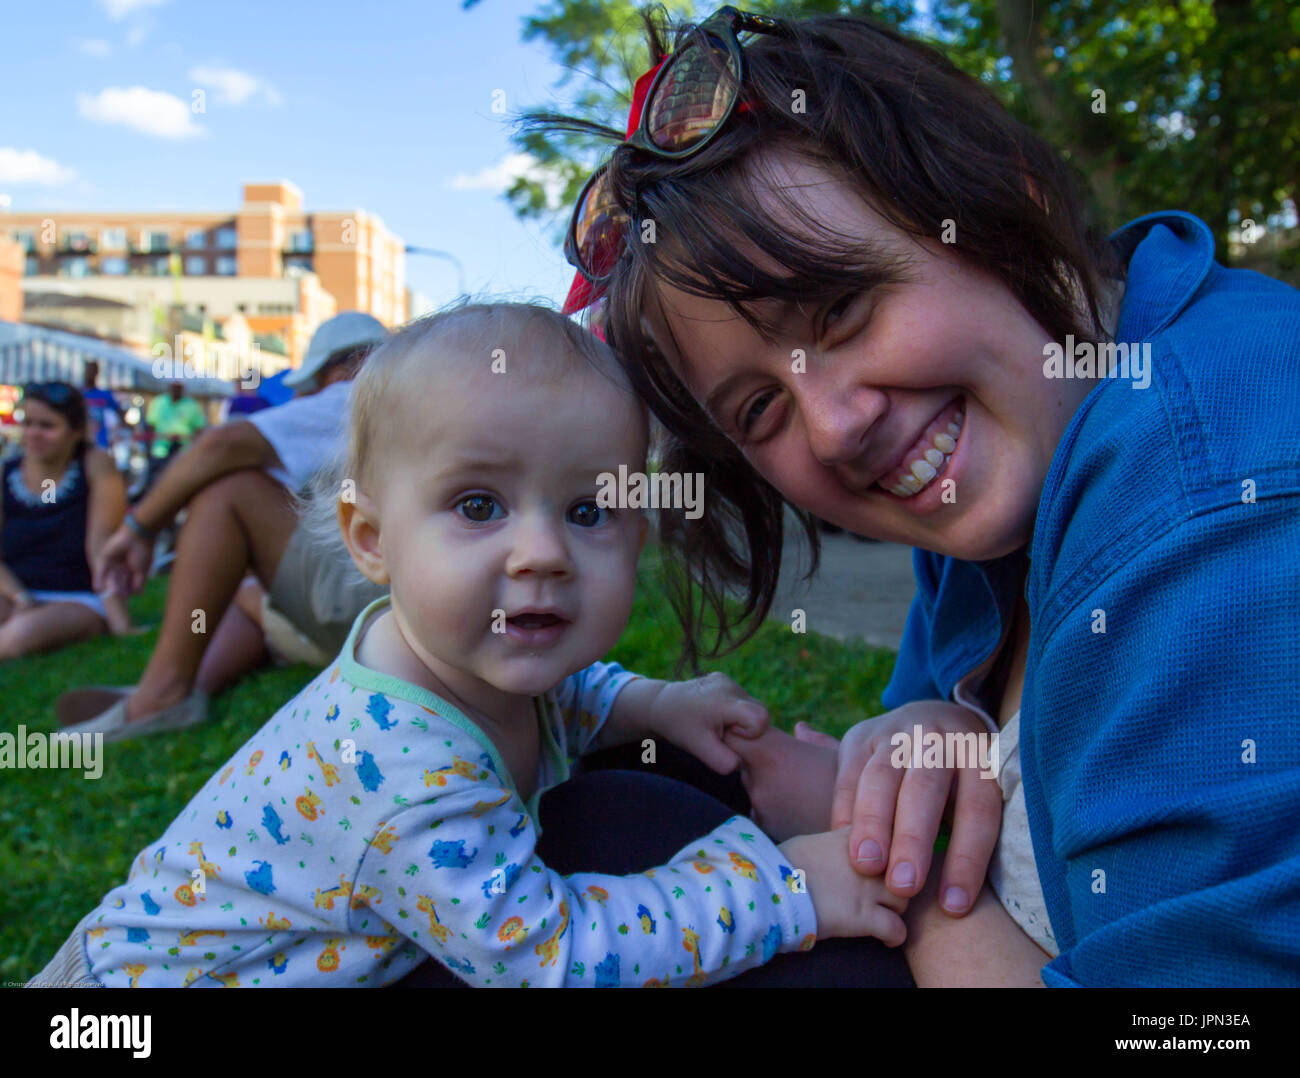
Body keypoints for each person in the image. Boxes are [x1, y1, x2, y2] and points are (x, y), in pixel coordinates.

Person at [540, 7, 1300, 986]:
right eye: (762, 406)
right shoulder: (1008, 442)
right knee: (614, 809)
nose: (832, 425)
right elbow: (912, 734)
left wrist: (925, 888)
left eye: (840, 309)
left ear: (997, 192)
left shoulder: (1204, 492)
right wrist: (923, 729)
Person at [30, 302, 912, 988]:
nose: (541, 552)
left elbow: (546, 692)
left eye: (588, 510)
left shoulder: (446, 657)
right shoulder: (402, 774)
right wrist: (783, 890)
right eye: (479, 505)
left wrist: (644, 701)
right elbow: (549, 955)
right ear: (370, 539)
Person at [55, 311, 390, 742]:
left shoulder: (363, 391)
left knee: (230, 494)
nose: (314, 397)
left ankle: (163, 694)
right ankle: (185, 686)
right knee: (225, 576)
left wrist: (139, 529)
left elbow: (221, 445)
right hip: (388, 613)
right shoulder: (421, 404)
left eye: (314, 387)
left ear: (345, 369)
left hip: (373, 614)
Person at [0, 382, 133, 656]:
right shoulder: (6, 472)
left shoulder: (95, 464)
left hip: (77, 597)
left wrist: (121, 625)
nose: (33, 434)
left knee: (17, 637)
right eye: (28, 423)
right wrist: (20, 598)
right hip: (16, 593)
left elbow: (101, 548)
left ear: (75, 432)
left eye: (47, 426)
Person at [144, 381, 206, 463]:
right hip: (160, 450)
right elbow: (150, 425)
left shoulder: (191, 405)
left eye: (178, 387)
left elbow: (199, 429)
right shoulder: (159, 402)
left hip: (184, 452)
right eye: (174, 387)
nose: (176, 390)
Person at [80, 360, 128, 451]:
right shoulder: (78, 394)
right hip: (81, 443)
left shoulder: (104, 395)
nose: (90, 373)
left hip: (100, 443)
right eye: (88, 370)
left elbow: (120, 413)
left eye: (92, 370)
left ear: (97, 373)